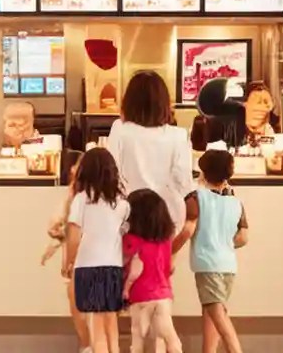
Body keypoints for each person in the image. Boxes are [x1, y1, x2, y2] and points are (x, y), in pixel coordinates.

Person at [175, 149, 248, 353]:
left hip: (207, 265)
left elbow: (188, 230)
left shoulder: (196, 198)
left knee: (220, 319)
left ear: (203, 173)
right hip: (228, 267)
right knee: (213, 313)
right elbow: (243, 237)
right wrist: (222, 242)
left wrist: (168, 251)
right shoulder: (236, 202)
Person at [106, 71, 193, 235]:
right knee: (162, 261)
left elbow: (112, 175)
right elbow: (183, 182)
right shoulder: (179, 135)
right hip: (169, 218)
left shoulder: (120, 129)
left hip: (128, 216)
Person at [62, 148, 128, 353]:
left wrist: (69, 262)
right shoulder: (122, 204)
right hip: (113, 268)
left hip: (88, 267)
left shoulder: (82, 199)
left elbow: (74, 233)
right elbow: (125, 233)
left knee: (96, 323)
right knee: (111, 322)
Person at [123, 189, 184, 353]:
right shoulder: (166, 240)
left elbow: (131, 268)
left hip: (140, 295)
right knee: (165, 337)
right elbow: (169, 267)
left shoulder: (130, 240)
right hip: (163, 294)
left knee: (138, 336)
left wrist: (125, 288)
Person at [43, 155, 92, 353]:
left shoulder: (78, 198)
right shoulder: (81, 196)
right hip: (97, 263)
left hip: (80, 263)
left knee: (83, 314)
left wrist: (67, 259)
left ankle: (89, 347)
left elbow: (60, 226)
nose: (72, 168)